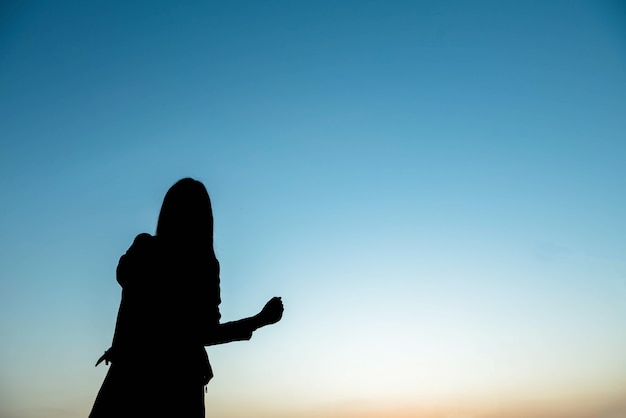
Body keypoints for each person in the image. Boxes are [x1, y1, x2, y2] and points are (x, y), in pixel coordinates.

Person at [89, 177, 284, 418]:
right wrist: (259, 320)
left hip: (131, 377)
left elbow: (125, 276)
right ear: (206, 219)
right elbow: (204, 332)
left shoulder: (144, 248)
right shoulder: (202, 265)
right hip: (178, 384)